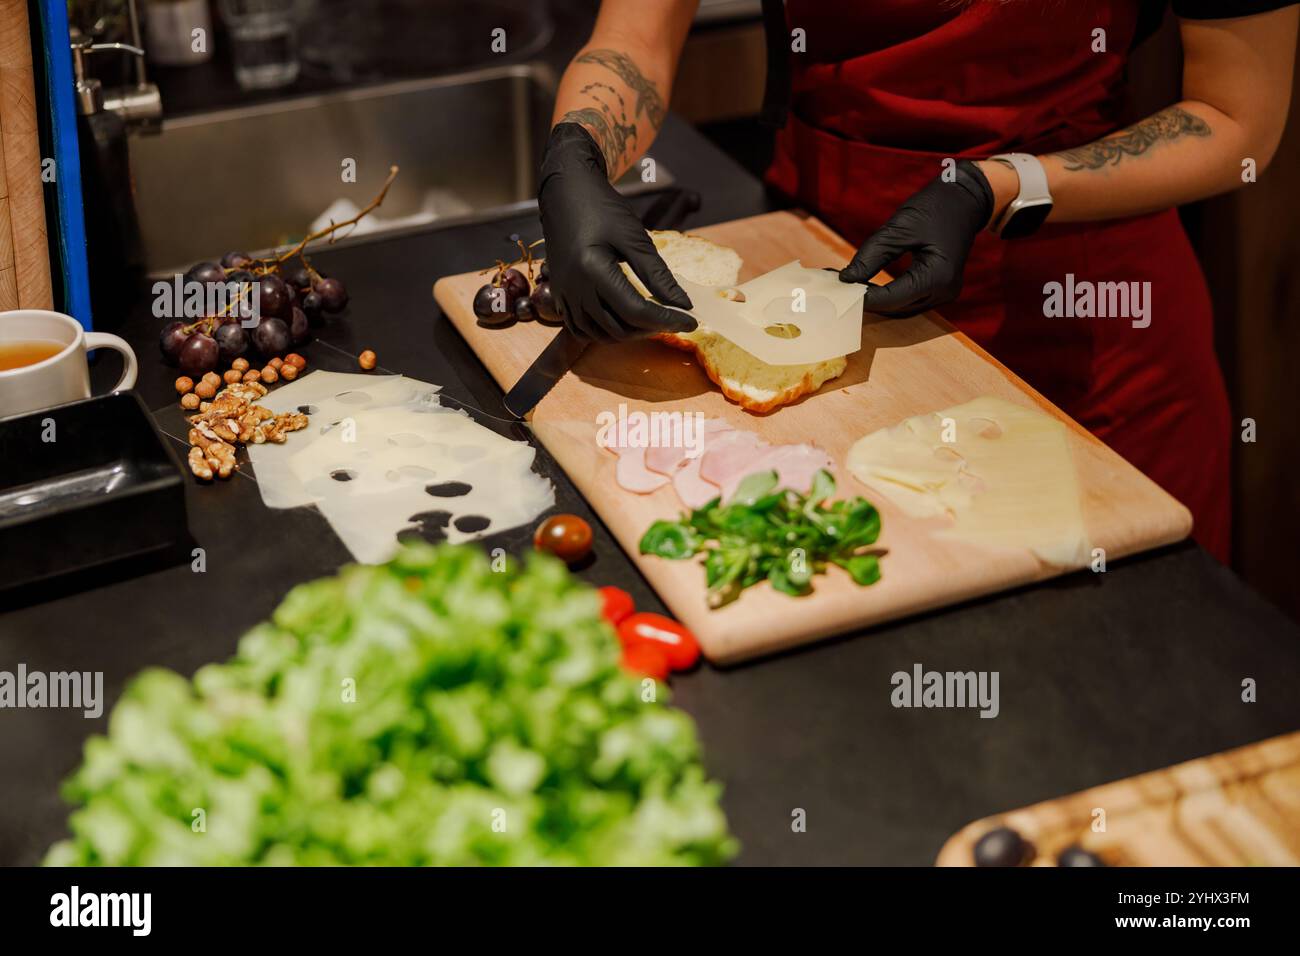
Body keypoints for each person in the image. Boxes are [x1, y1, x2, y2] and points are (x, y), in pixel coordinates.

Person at [537, 0, 1300, 563]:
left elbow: (1235, 120)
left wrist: (995, 187)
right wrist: (575, 154)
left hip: (1083, 313)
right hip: (814, 278)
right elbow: (636, 37)